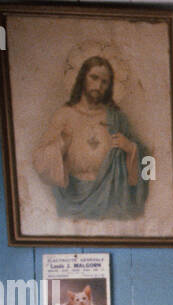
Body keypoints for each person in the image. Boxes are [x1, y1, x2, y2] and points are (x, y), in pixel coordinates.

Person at [31, 56, 148, 220]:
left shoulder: (117, 118)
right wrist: (60, 144)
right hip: (72, 196)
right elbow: (39, 160)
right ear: (82, 78)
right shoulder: (64, 115)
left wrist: (131, 148)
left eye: (105, 81)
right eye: (94, 78)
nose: (98, 86)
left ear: (110, 86)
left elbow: (149, 160)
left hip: (110, 198)